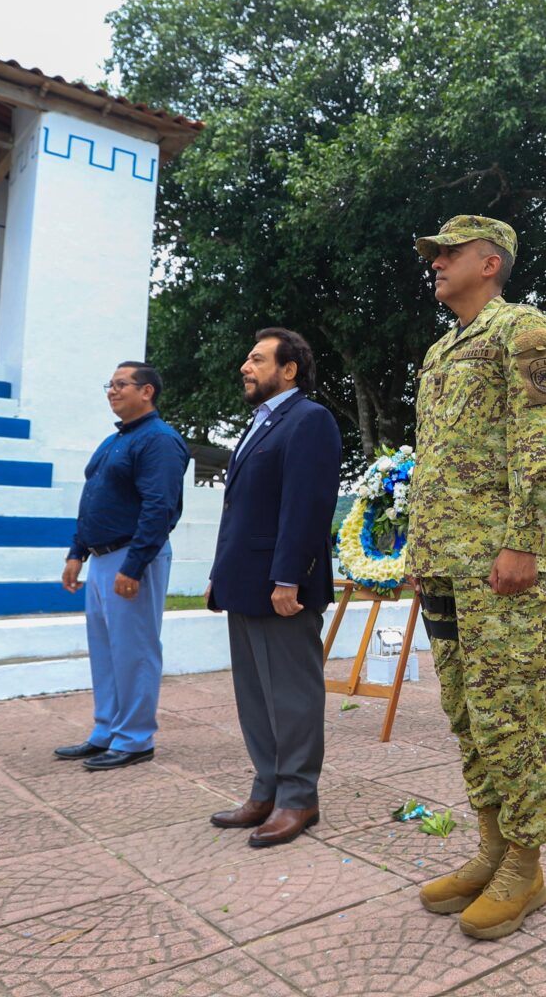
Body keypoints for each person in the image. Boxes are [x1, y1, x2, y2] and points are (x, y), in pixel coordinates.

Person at [405, 215, 546, 940]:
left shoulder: (524, 331)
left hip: (500, 564)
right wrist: (419, 557)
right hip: (445, 563)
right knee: (467, 714)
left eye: (449, 253)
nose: (436, 263)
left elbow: (541, 443)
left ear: (489, 262)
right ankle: (492, 847)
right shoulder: (443, 350)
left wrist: (523, 544)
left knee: (509, 715)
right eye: (434, 255)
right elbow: (435, 460)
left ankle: (525, 866)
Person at [206, 328, 340, 848]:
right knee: (256, 697)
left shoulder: (309, 420)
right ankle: (266, 788)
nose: (245, 365)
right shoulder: (257, 425)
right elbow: (240, 511)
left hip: (283, 584)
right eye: (248, 356)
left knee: (291, 695)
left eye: (257, 358)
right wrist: (220, 574)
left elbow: (305, 506)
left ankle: (298, 797)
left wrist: (289, 576)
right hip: (244, 582)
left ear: (288, 370)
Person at [56, 362, 189, 770]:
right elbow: (92, 497)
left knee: (135, 651)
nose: (111, 391)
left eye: (120, 384)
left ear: (146, 391)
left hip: (133, 557)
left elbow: (160, 507)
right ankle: (106, 731)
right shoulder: (115, 441)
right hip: (100, 558)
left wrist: (133, 566)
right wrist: (76, 552)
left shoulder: (159, 441)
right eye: (109, 385)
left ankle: (134, 740)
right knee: (106, 652)